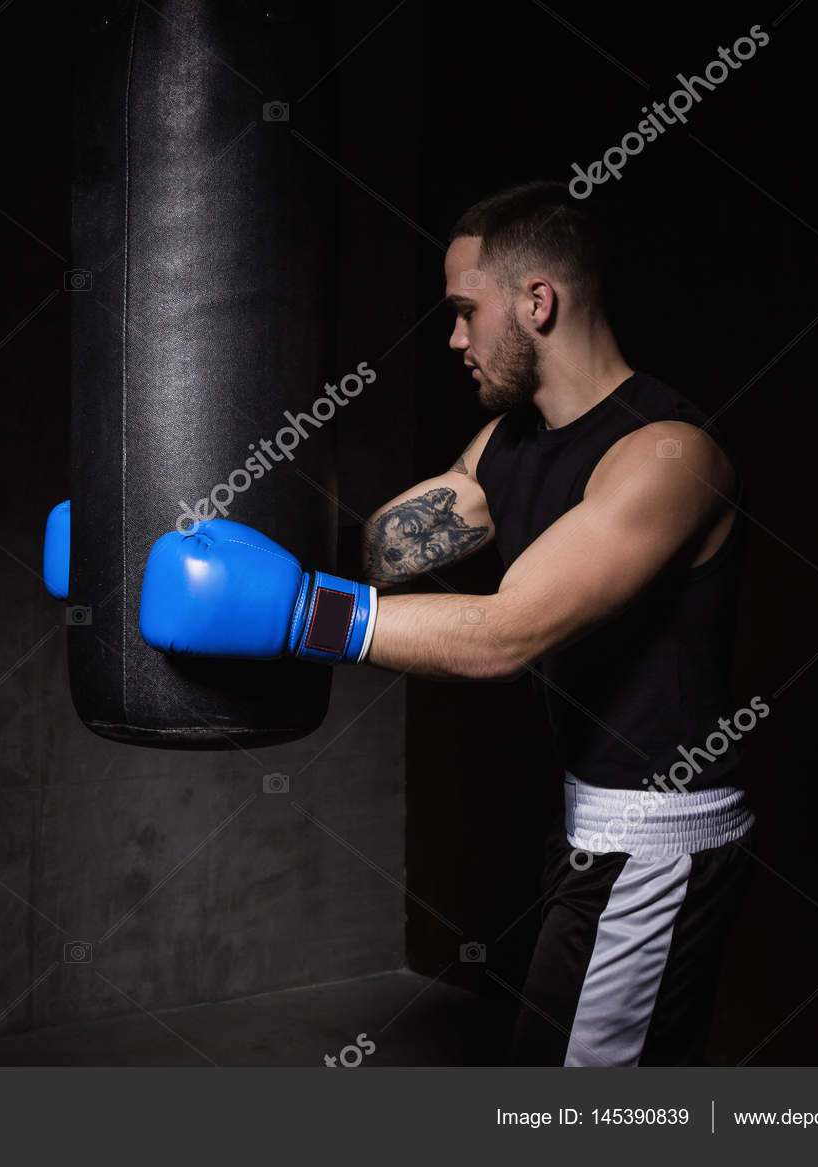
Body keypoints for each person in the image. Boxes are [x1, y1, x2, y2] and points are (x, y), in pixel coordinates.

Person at [138, 180, 757, 1066]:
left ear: (537, 301)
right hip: (593, 820)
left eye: (467, 311)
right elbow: (378, 548)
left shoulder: (666, 456)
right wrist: (165, 549)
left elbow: (510, 633)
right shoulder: (505, 445)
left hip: (658, 840)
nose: (456, 339)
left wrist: (297, 613)